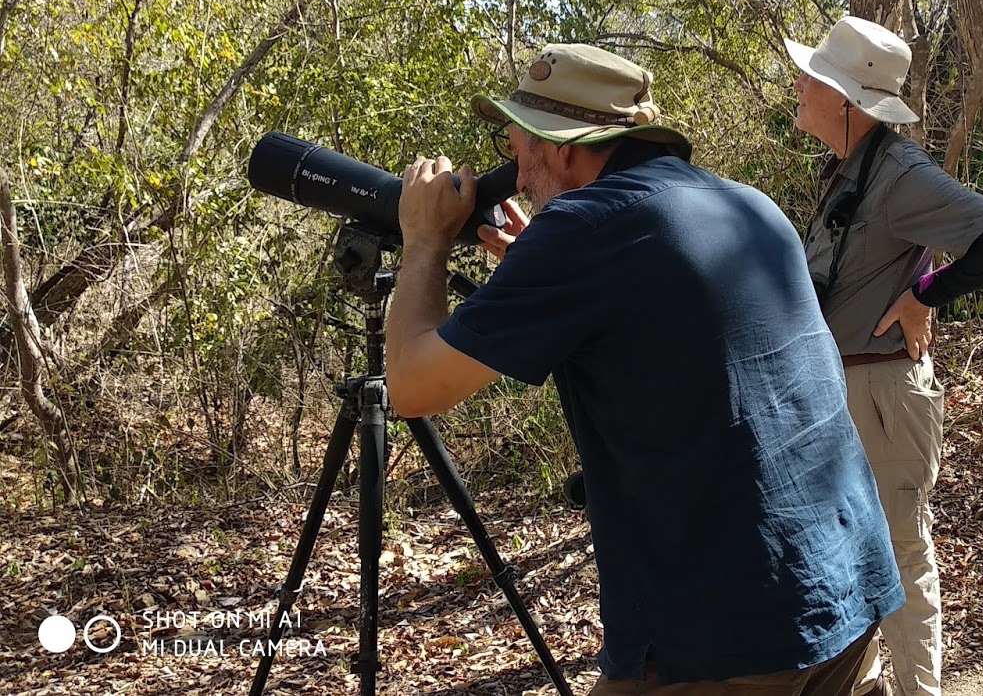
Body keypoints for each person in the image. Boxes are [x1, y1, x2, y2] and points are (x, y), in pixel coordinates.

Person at [384, 43, 904, 695]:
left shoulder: (585, 228)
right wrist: (539, 276)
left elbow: (412, 386)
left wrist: (424, 241)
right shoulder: (748, 204)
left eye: (516, 147)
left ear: (563, 149)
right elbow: (670, 328)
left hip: (730, 629)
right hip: (847, 584)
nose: (513, 173)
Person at [785, 17, 983, 696]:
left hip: (884, 390)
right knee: (845, 550)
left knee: (898, 552)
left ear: (847, 99)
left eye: (813, 77)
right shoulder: (848, 171)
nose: (800, 86)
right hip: (842, 390)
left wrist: (926, 294)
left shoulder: (899, 174)